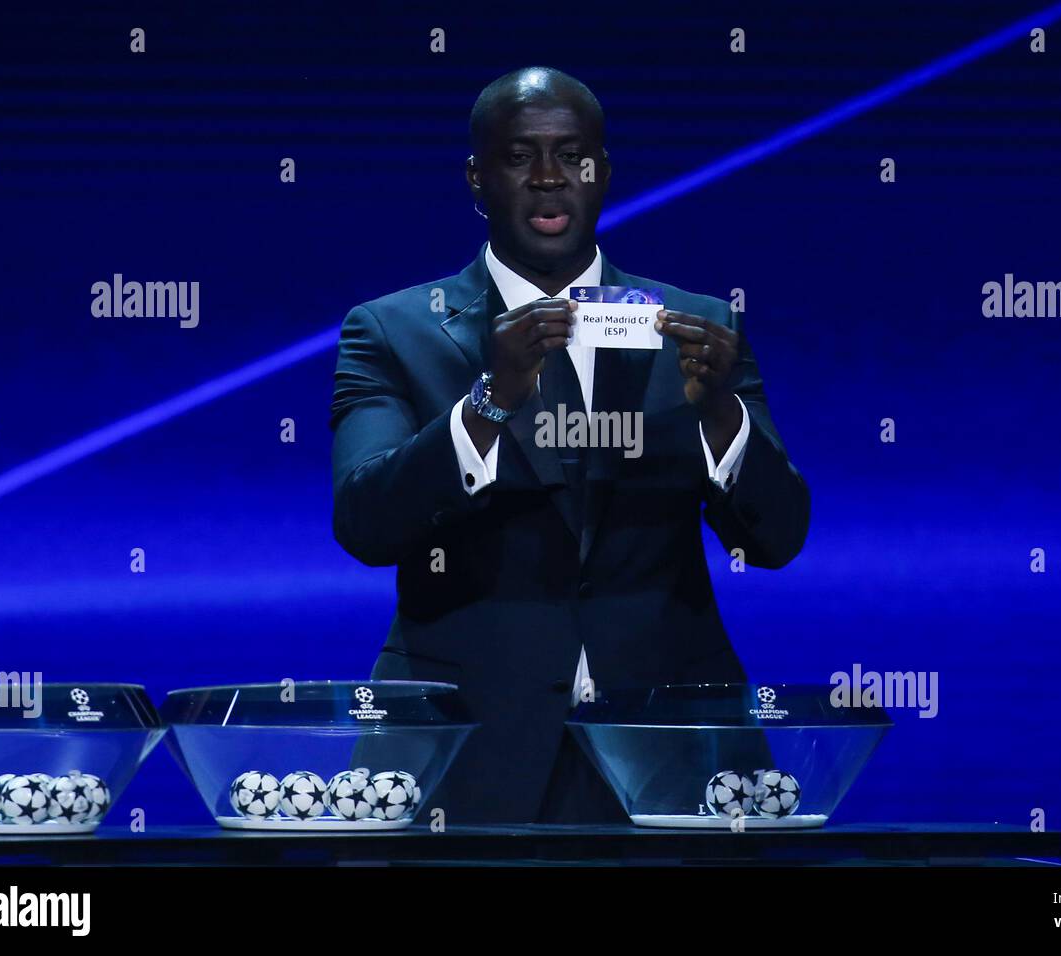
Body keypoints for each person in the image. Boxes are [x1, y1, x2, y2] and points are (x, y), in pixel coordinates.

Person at [330, 66, 809, 823]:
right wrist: (493, 397)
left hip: (671, 740)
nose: (550, 179)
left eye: (573, 156)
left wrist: (719, 412)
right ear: (477, 179)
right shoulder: (393, 330)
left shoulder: (694, 325)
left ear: (604, 174)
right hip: (466, 745)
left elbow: (779, 538)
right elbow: (366, 523)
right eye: (520, 157)